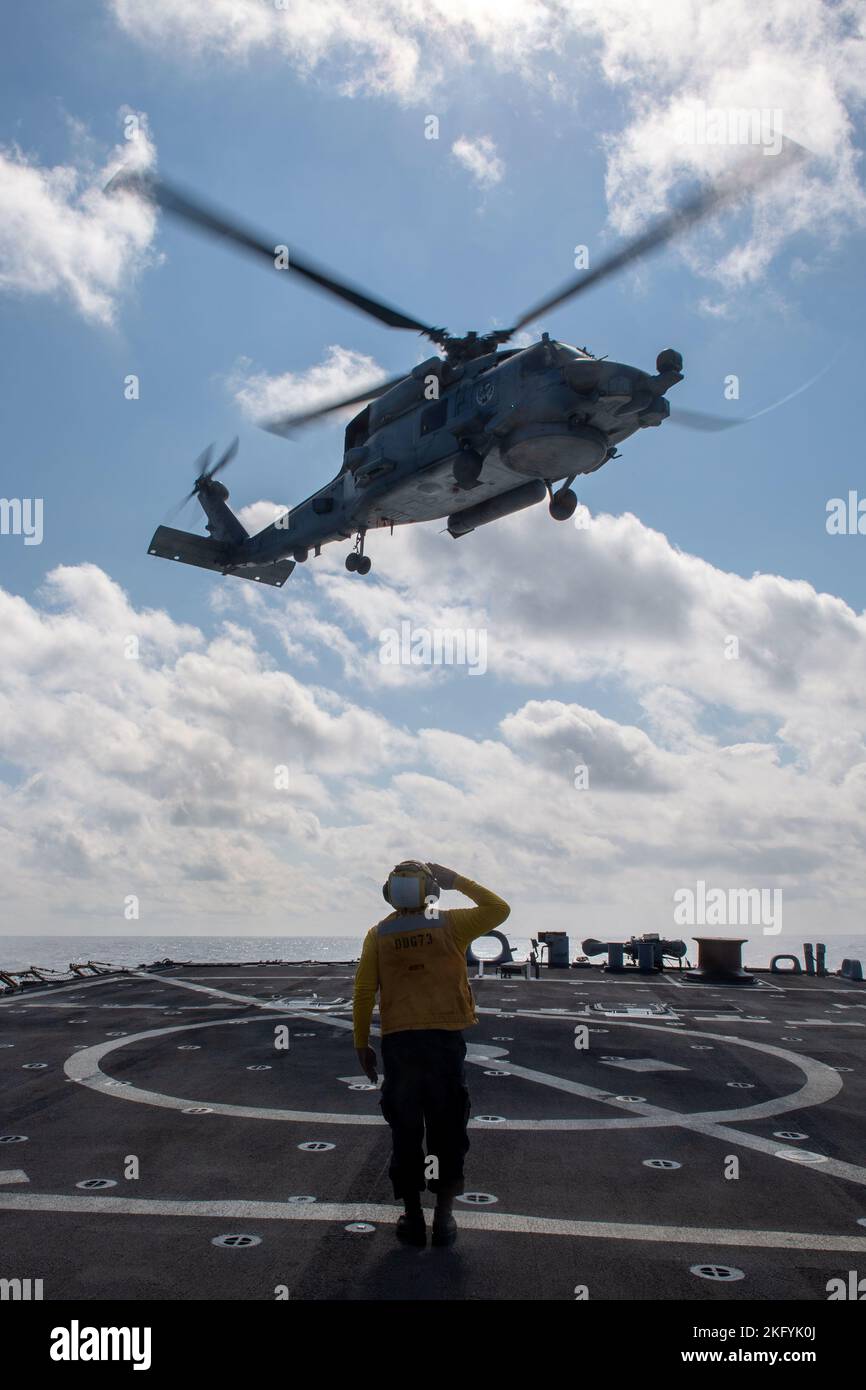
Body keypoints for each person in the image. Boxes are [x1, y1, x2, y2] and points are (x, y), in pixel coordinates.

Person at [353, 860, 510, 1248]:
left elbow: (364, 991)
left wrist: (361, 1043)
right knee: (448, 1128)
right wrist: (456, 880)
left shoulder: (379, 933)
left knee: (406, 1130)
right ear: (430, 891)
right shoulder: (450, 924)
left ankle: (413, 1216)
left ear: (389, 892)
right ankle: (443, 1216)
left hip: (400, 1045)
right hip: (444, 1042)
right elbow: (499, 909)